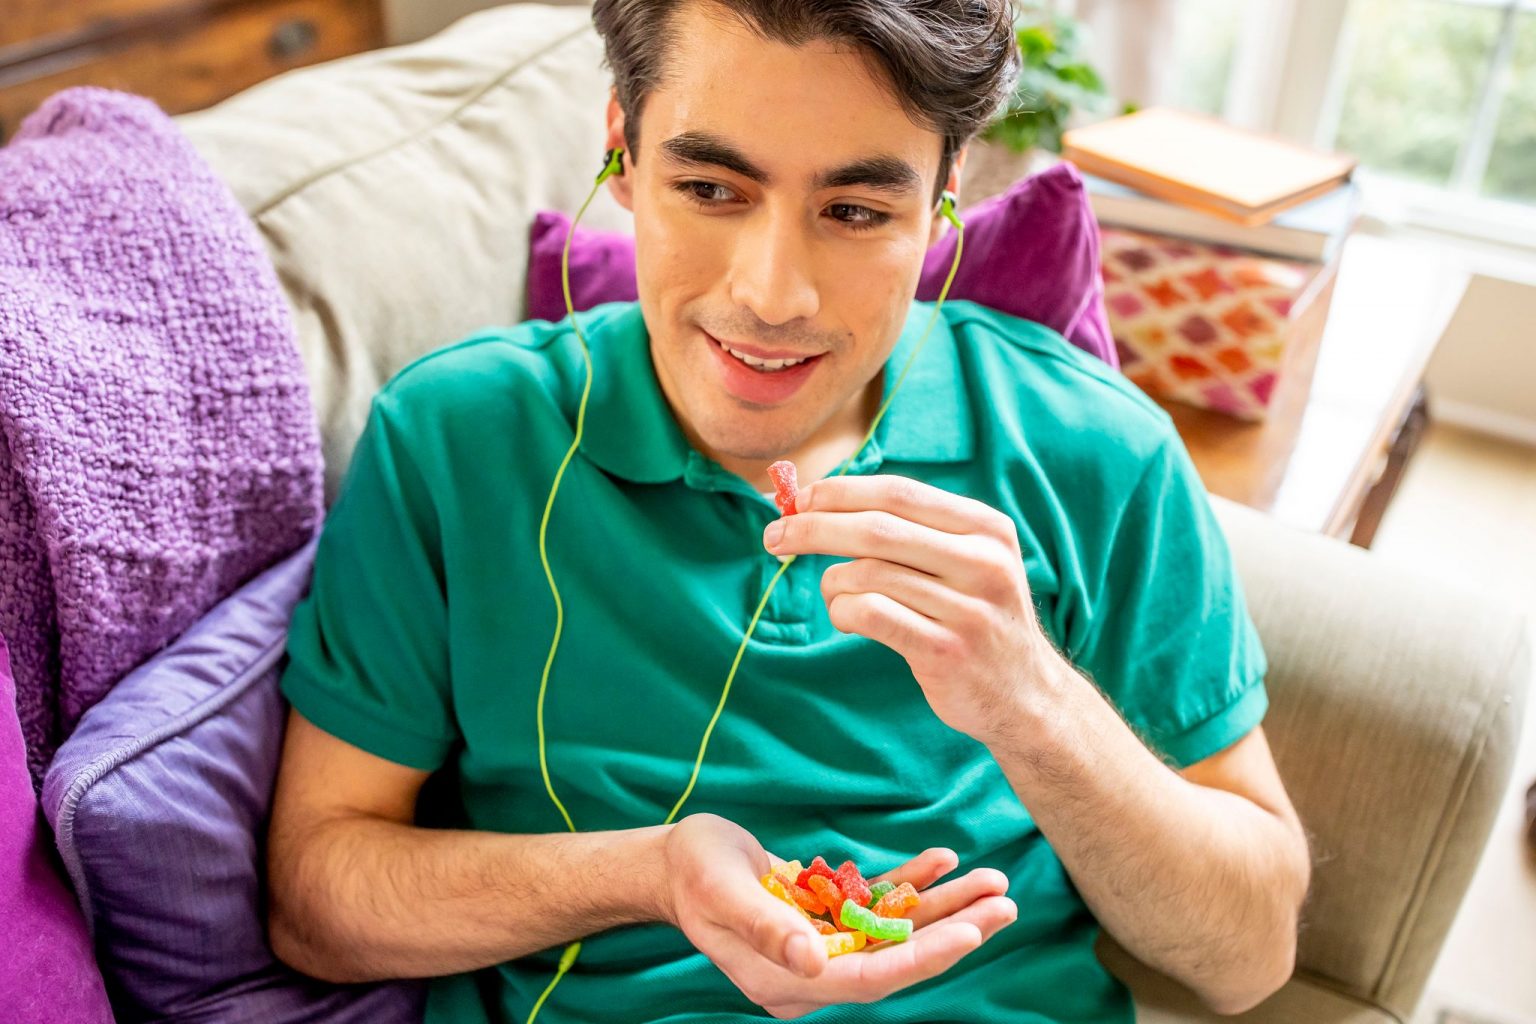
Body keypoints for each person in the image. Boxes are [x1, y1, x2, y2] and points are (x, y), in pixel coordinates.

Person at [264, 1, 1312, 1021]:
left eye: (854, 212)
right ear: (623, 150)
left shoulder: (1094, 449)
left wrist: (1033, 702)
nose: (774, 295)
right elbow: (316, 903)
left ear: (948, 190)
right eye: (712, 187)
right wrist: (652, 873)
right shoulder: (457, 439)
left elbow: (1248, 956)